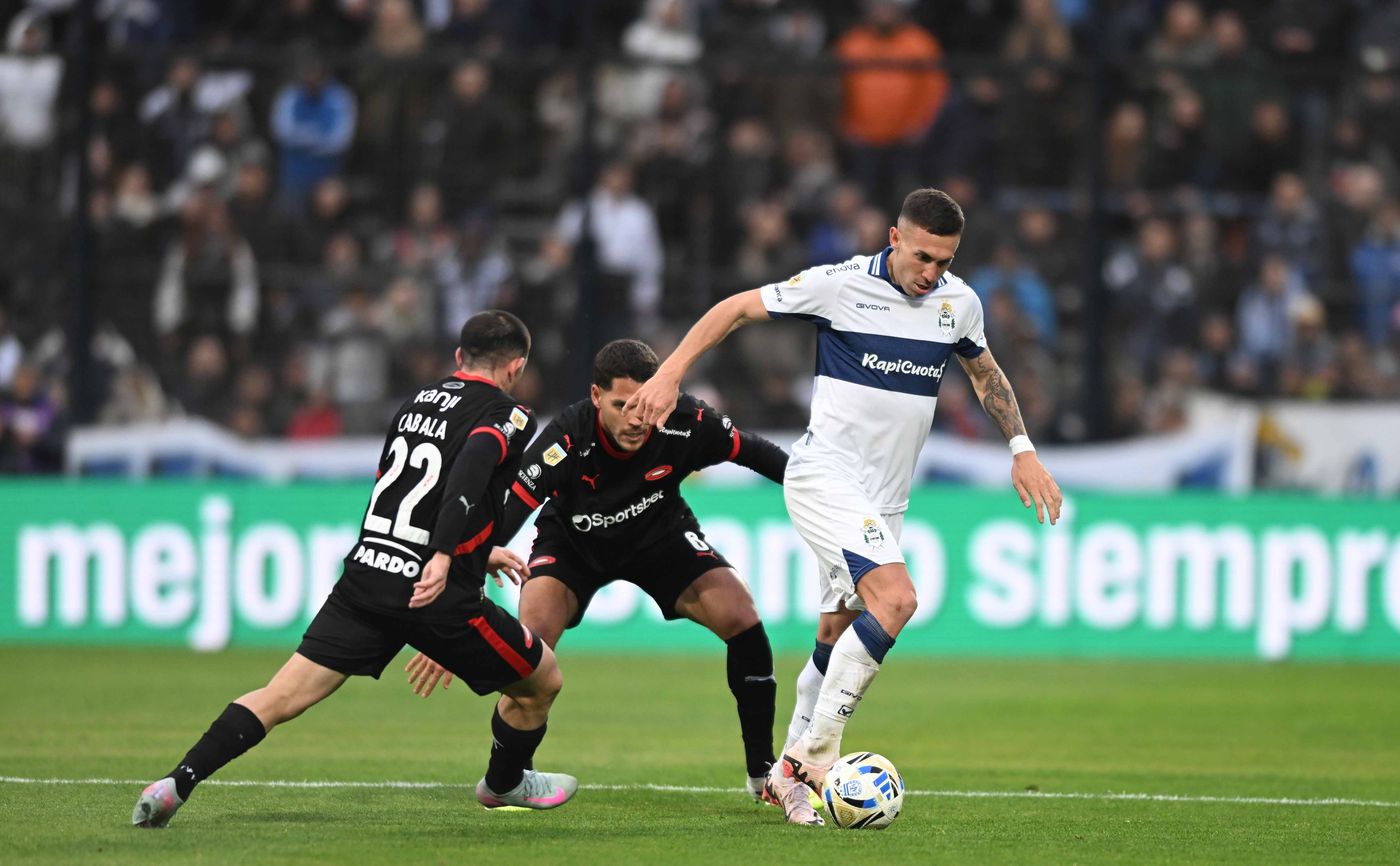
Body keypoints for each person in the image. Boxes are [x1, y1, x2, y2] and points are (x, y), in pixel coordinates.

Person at [625, 188, 1063, 825]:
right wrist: (668, 374)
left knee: (835, 634)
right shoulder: (839, 285)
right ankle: (812, 756)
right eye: (921, 257)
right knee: (898, 600)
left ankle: (784, 775)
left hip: (886, 500)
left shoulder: (958, 303)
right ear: (893, 237)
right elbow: (736, 308)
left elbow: (986, 375)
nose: (931, 273)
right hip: (825, 477)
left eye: (944, 260)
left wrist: (1022, 448)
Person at [132, 311, 578, 827]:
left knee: (280, 695)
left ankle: (174, 783)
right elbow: (471, 469)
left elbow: (411, 491)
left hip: (368, 578)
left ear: (459, 357)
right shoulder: (511, 414)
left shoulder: (413, 404)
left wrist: (472, 547)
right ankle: (505, 782)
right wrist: (442, 554)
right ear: (516, 367)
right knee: (543, 679)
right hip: (434, 591)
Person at [405, 339, 789, 801]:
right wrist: (457, 606)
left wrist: (820, 500)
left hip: (659, 538)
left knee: (742, 617)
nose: (636, 417)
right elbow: (506, 514)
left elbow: (756, 453)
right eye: (621, 404)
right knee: (528, 651)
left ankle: (763, 773)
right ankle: (507, 780)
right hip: (572, 546)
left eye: (645, 404)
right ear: (594, 396)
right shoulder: (567, 437)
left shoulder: (685, 422)